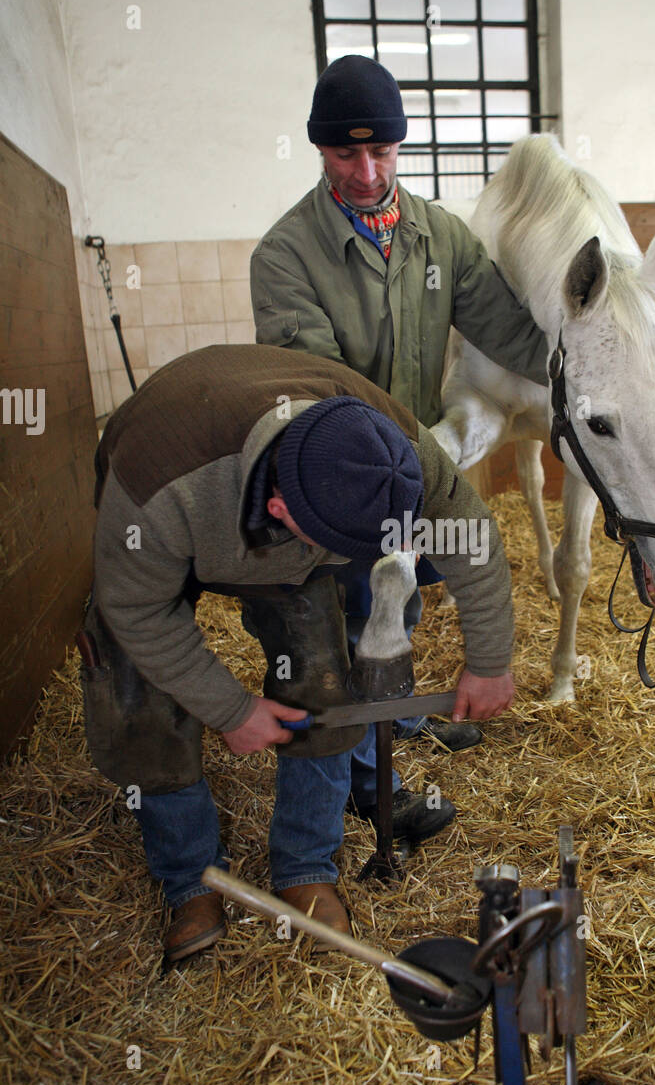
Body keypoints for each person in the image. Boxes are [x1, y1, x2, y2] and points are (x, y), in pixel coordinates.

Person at [80, 343, 515, 962]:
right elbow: (138, 612)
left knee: (321, 677)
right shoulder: (157, 490)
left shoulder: (394, 448)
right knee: (141, 704)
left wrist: (492, 660)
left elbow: (472, 536)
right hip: (180, 515)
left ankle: (306, 866)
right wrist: (230, 710)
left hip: (288, 525)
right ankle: (189, 881)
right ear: (283, 511)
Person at [250, 54, 550, 837]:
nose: (365, 170)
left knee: (404, 602)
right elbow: (328, 389)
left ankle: (404, 725)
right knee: (357, 625)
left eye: (381, 151)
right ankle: (369, 780)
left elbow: (508, 332)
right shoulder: (284, 257)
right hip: (342, 477)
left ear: (400, 147)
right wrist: (425, 465)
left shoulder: (439, 237)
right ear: (319, 152)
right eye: (345, 154)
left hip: (410, 472)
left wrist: (583, 359)